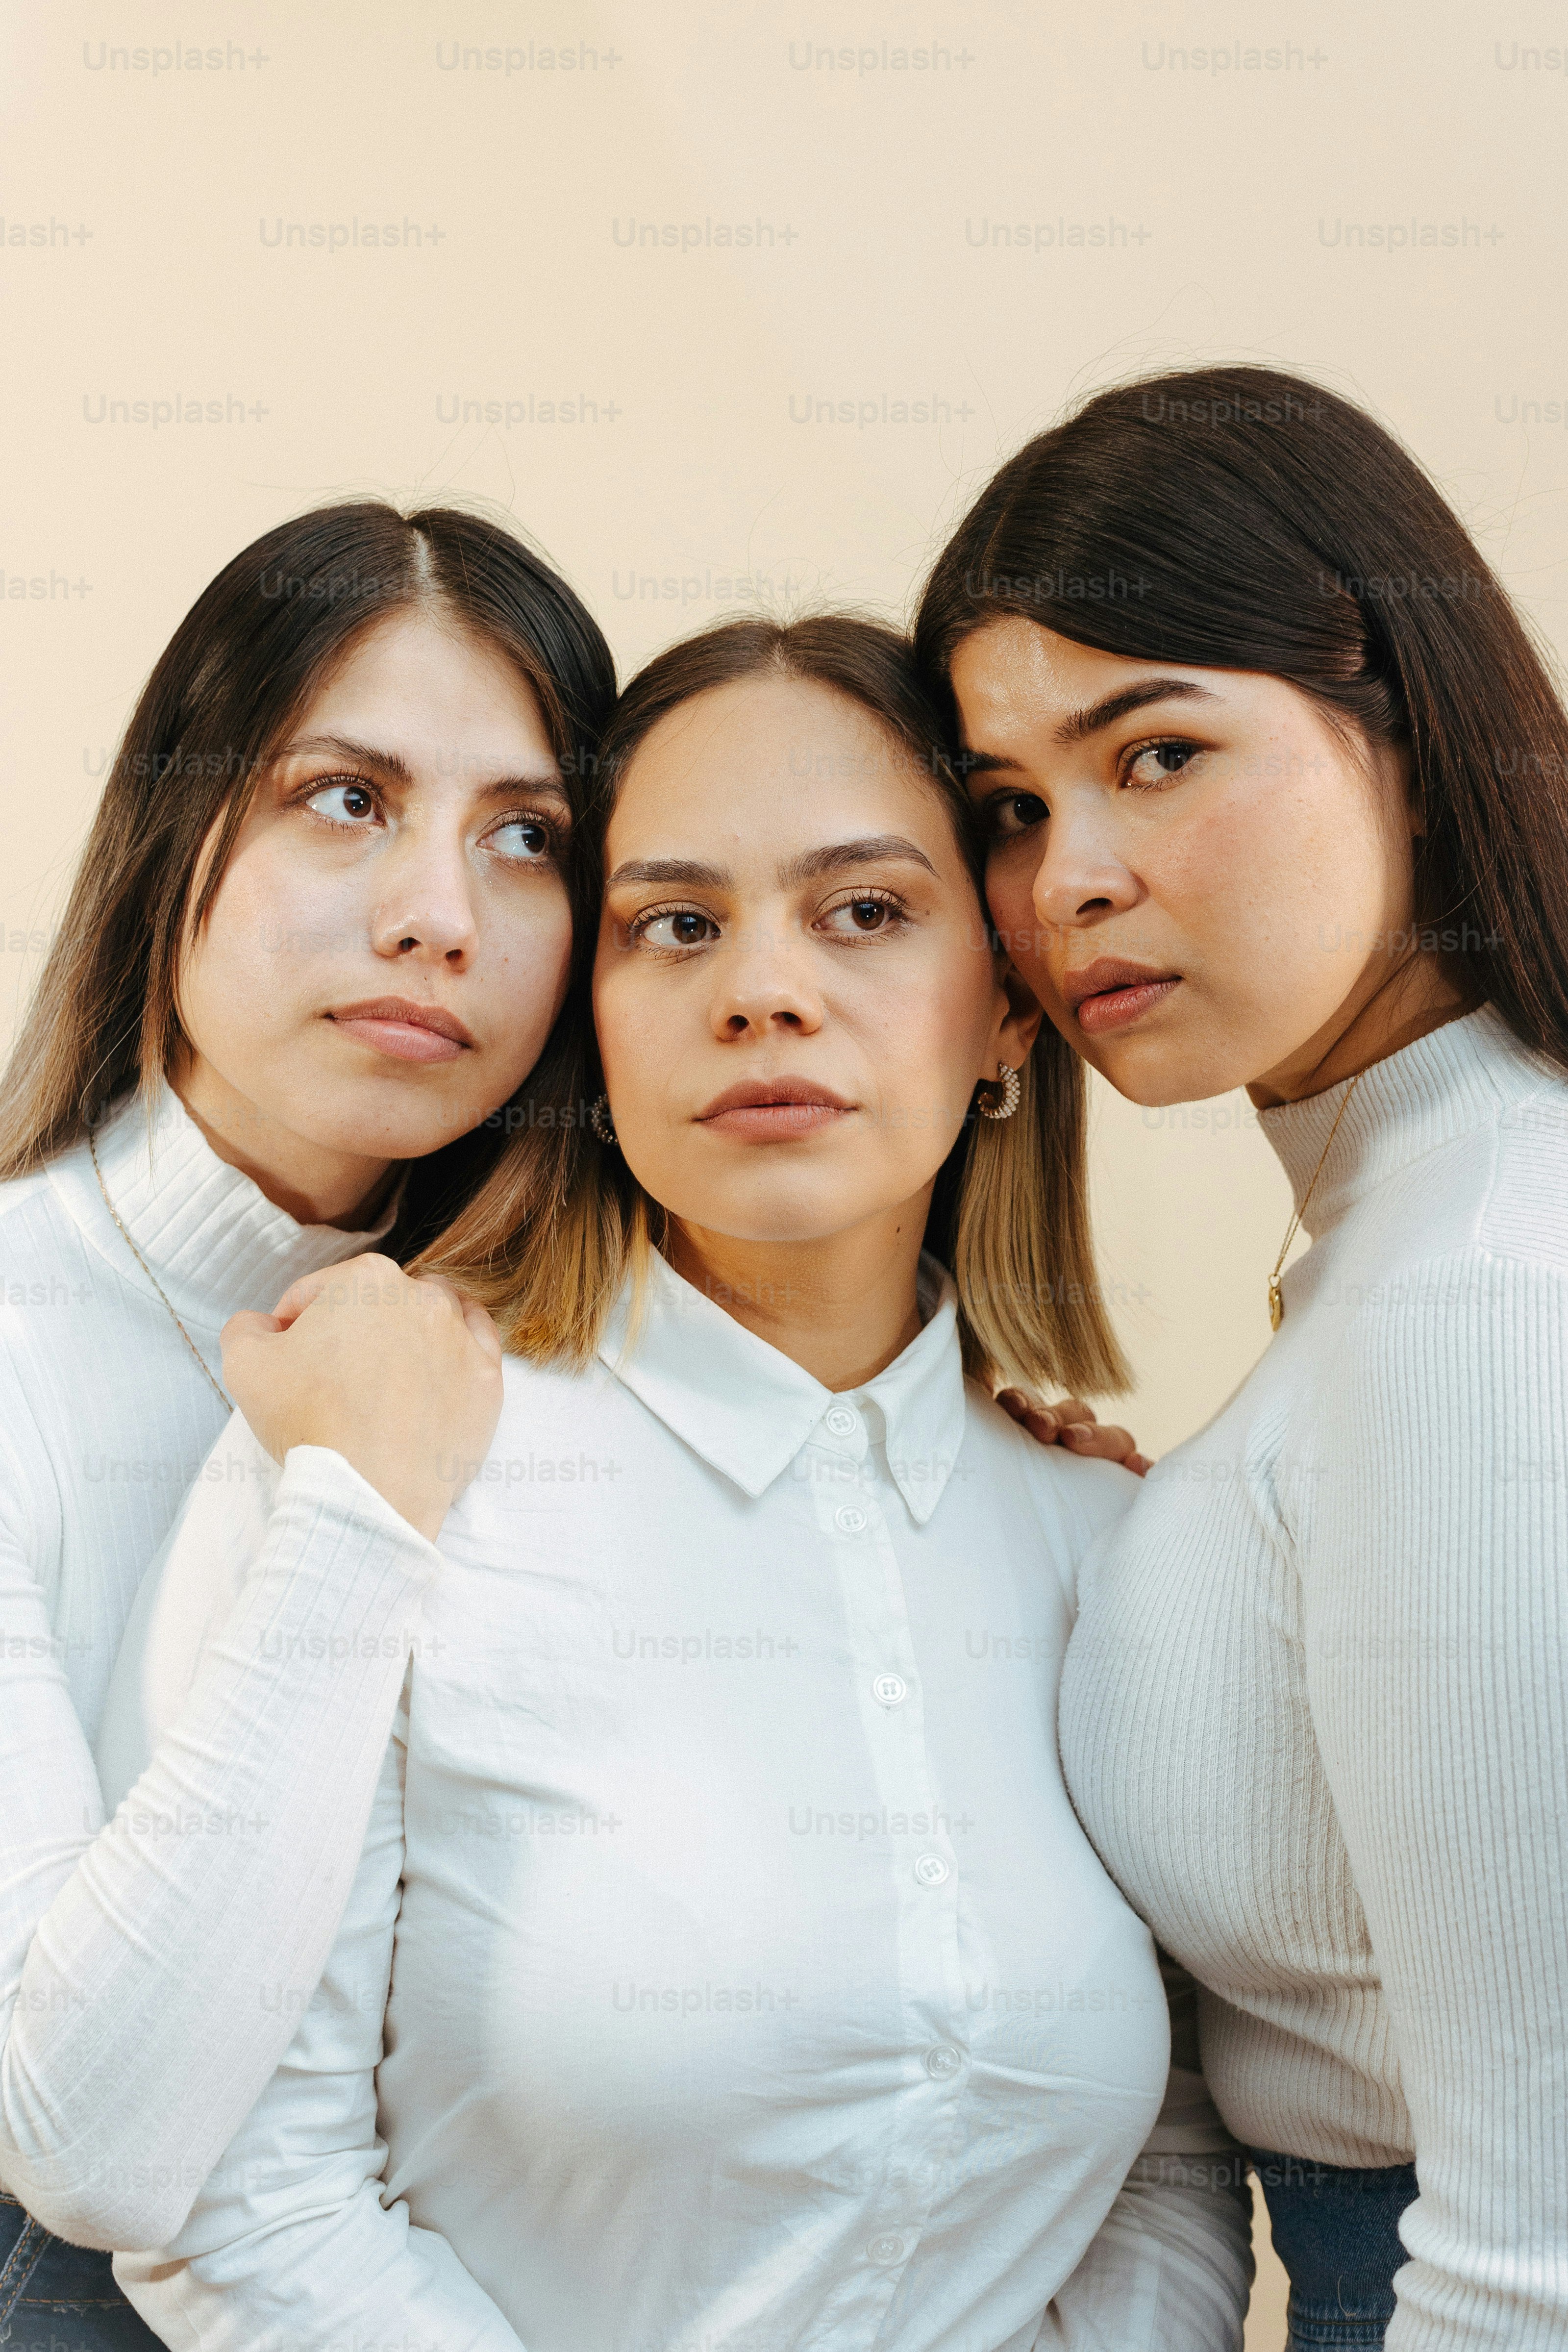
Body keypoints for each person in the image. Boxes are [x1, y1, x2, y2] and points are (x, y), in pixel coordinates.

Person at [105, 618, 1251, 2349]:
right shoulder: (385, 1463)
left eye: (865, 911)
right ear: (596, 1021)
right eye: (677, 925)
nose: (762, 990)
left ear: (1009, 1005)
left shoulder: (1113, 1545)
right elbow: (235, 2201)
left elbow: (1162, 2162)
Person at [914, 365, 1568, 2351]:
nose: (1069, 882)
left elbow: (1530, 2250)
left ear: (1403, 729)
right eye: (1007, 813)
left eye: (1158, 753)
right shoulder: (1403, 1241)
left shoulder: (1468, 1287)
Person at [0, 500, 613, 2344]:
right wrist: (350, 1496)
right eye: (347, 797)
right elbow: (80, 2134)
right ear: (176, 827)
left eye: (526, 838)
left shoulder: (570, 1346)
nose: (438, 915)